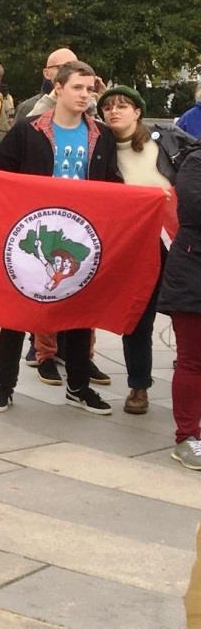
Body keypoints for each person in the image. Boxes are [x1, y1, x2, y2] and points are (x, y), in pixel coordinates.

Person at [0, 61, 120, 415]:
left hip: (82, 236)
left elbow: (113, 184)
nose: (85, 95)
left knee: (82, 311)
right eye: (77, 87)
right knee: (18, 311)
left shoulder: (101, 136)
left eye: (90, 89)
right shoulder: (28, 132)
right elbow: (1, 173)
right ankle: (4, 385)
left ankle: (78, 387)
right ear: (58, 88)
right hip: (35, 233)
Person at [98, 85, 196, 414]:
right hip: (136, 243)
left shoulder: (169, 138)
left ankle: (190, 372)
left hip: (177, 240)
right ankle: (138, 385)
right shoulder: (101, 150)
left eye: (122, 105)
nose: (114, 111)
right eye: (108, 107)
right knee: (137, 316)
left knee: (188, 314)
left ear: (137, 111)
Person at [157, 142, 201, 469]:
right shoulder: (195, 162)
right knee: (193, 360)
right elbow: (194, 210)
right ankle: (187, 437)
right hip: (192, 274)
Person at [14, 47, 78, 123]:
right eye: (62, 67)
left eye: (74, 67)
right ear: (46, 73)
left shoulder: (84, 105)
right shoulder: (28, 107)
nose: (69, 72)